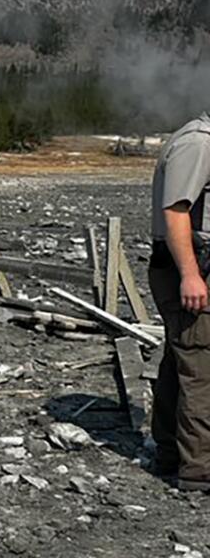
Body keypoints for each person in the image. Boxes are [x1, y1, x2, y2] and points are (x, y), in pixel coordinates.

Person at [150, 111, 210, 491]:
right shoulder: (199, 142)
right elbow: (175, 211)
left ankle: (170, 451)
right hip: (188, 268)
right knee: (202, 367)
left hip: (188, 265)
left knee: (182, 358)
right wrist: (190, 274)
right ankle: (200, 469)